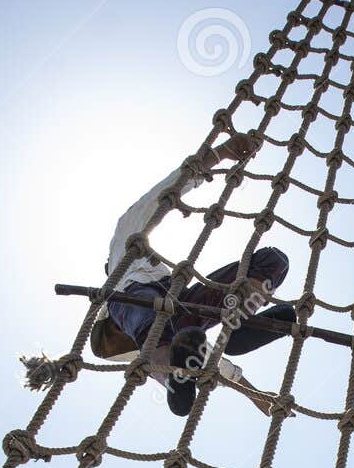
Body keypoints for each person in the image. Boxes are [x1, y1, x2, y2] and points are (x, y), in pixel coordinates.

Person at [93, 133, 297, 416]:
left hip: (178, 305)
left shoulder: (155, 265)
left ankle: (239, 321)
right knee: (155, 326)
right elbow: (159, 196)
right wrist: (219, 153)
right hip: (134, 306)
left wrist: (257, 396)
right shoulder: (121, 266)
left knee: (272, 260)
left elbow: (207, 352)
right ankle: (175, 382)